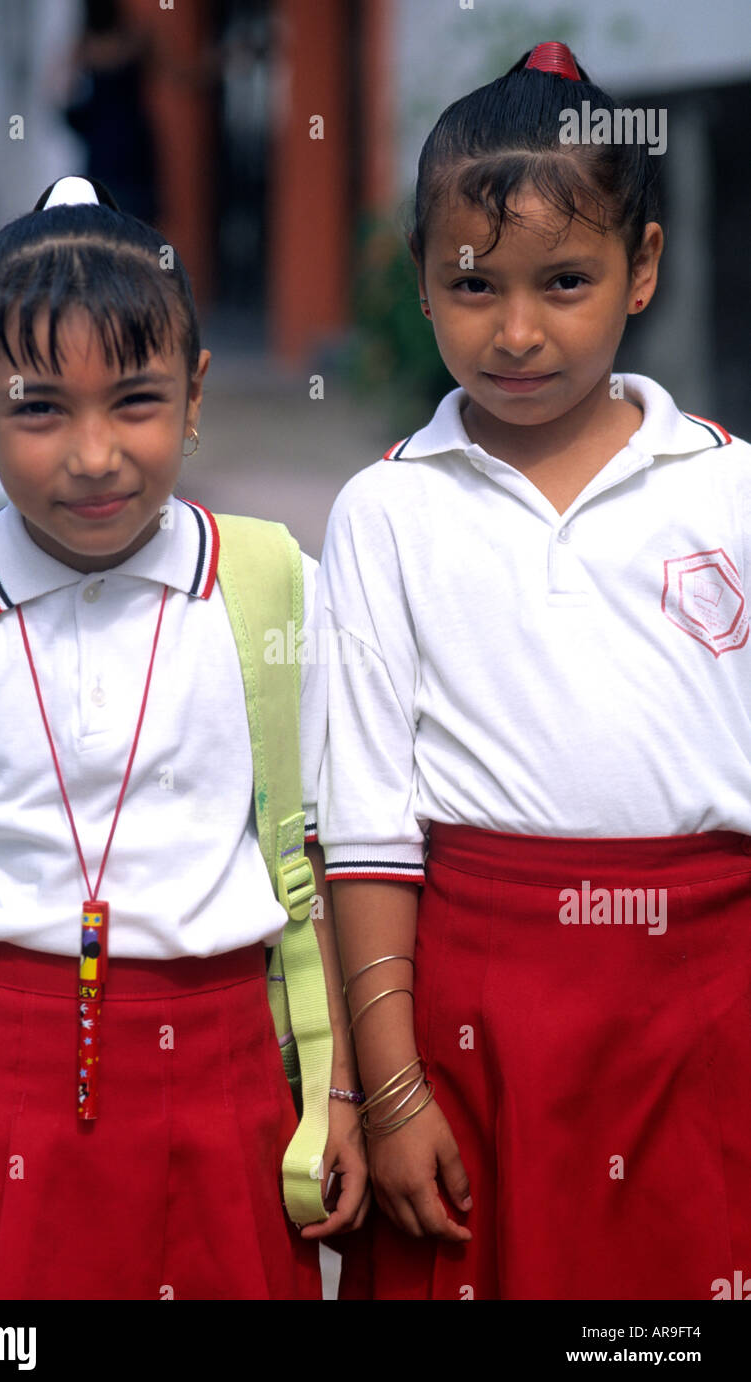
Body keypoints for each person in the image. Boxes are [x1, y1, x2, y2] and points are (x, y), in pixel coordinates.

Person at [318, 42, 751, 1300]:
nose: (516, 332)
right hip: (475, 1018)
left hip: (705, 1004)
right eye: (472, 285)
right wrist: (393, 1088)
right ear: (418, 280)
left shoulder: (728, 489)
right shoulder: (385, 511)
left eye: (563, 280)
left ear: (642, 271)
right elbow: (363, 829)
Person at [0, 175, 367, 1300]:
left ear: (195, 396)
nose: (94, 455)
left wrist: (343, 1087)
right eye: (39, 408)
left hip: (226, 1083)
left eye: (136, 402)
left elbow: (331, 860)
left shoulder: (274, 588)